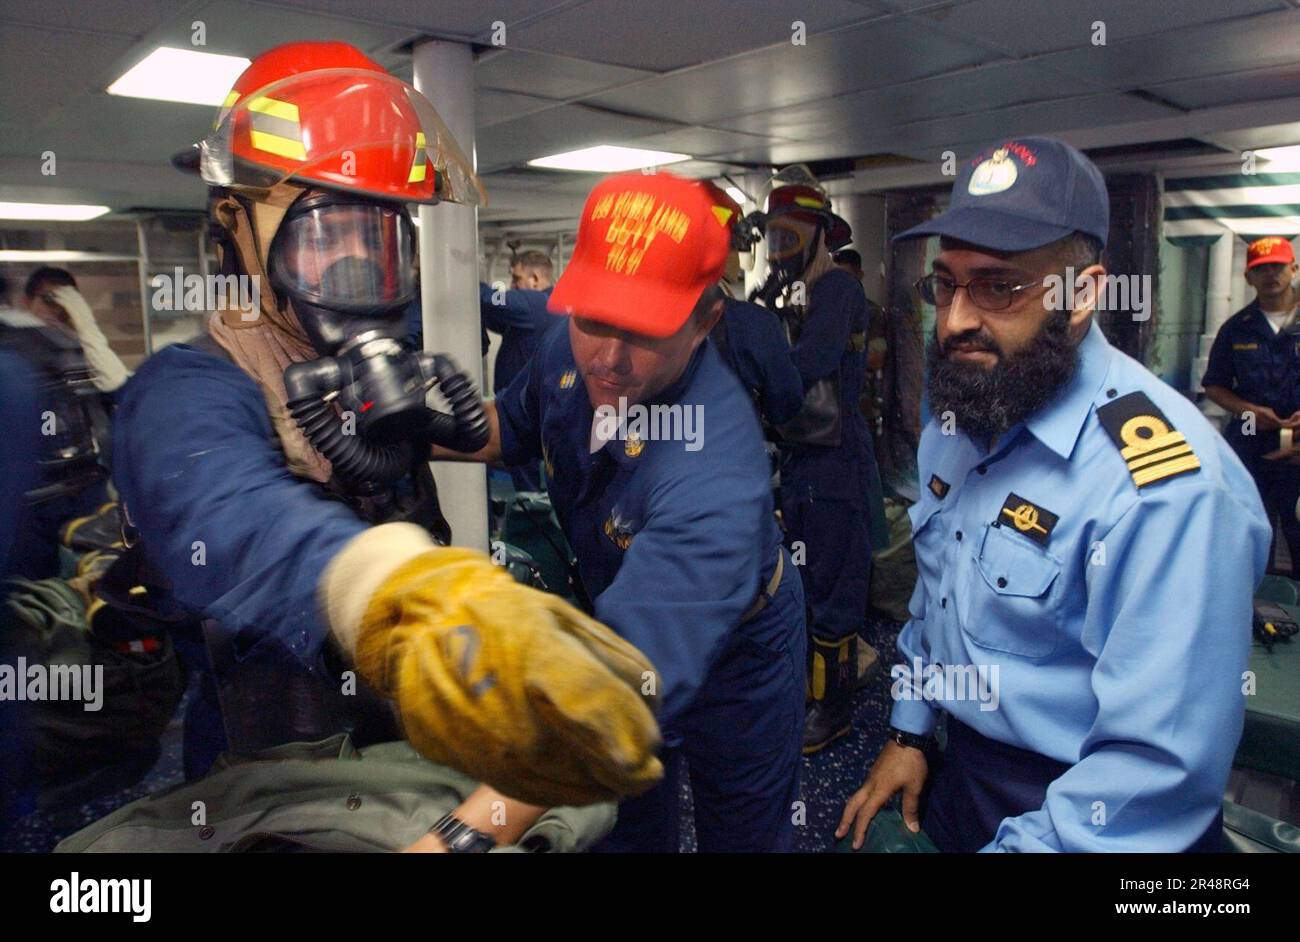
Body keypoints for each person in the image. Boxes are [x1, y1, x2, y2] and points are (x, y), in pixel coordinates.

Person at [112, 42, 661, 814]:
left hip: (410, 755)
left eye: (377, 236)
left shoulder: (375, 368)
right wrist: (400, 592)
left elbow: (489, 435)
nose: (355, 265)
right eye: (325, 231)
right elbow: (228, 511)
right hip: (281, 778)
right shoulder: (186, 390)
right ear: (236, 228)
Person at [837, 136, 1270, 852]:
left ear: (1084, 293)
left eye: (1000, 286)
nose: (954, 322)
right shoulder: (966, 409)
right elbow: (935, 599)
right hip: (964, 768)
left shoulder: (1168, 491)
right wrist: (909, 729)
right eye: (945, 283)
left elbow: (1151, 779)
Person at [432, 171, 807, 852]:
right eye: (594, 319)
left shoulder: (714, 465)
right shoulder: (568, 350)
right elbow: (508, 429)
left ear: (705, 322)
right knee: (620, 826)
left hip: (736, 654)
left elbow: (608, 693)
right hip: (614, 617)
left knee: (743, 832)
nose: (609, 359)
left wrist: (453, 840)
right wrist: (394, 432)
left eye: (644, 330)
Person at [759, 170, 878, 753]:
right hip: (800, 461)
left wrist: (753, 376)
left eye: (789, 238)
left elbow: (806, 366)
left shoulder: (837, 290)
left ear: (819, 236)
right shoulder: (784, 295)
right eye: (772, 238)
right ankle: (810, 691)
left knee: (833, 589)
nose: (778, 252)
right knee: (802, 585)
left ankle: (834, 709)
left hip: (832, 464)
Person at [0, 268, 119, 579]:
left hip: (86, 488)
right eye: (49, 300)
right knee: (33, 592)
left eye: (65, 301)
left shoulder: (80, 348)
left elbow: (118, 387)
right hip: (35, 499)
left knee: (93, 583)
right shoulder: (16, 348)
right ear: (26, 302)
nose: (56, 310)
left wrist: (84, 323)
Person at [1202, 236, 1300, 576]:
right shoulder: (1235, 329)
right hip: (1249, 437)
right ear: (1248, 278)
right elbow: (1214, 385)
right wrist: (1248, 412)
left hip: (1299, 445)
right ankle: (1259, 615)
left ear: (1294, 269)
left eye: (1277, 266)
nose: (1270, 274)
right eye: (1261, 269)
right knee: (1250, 533)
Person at [480, 249, 556, 490]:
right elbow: (496, 317)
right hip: (533, 405)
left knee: (526, 478)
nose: (512, 286)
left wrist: (458, 274)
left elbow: (486, 297)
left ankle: (531, 516)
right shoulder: (547, 308)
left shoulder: (536, 303)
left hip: (521, 410)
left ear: (534, 279)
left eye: (516, 279)